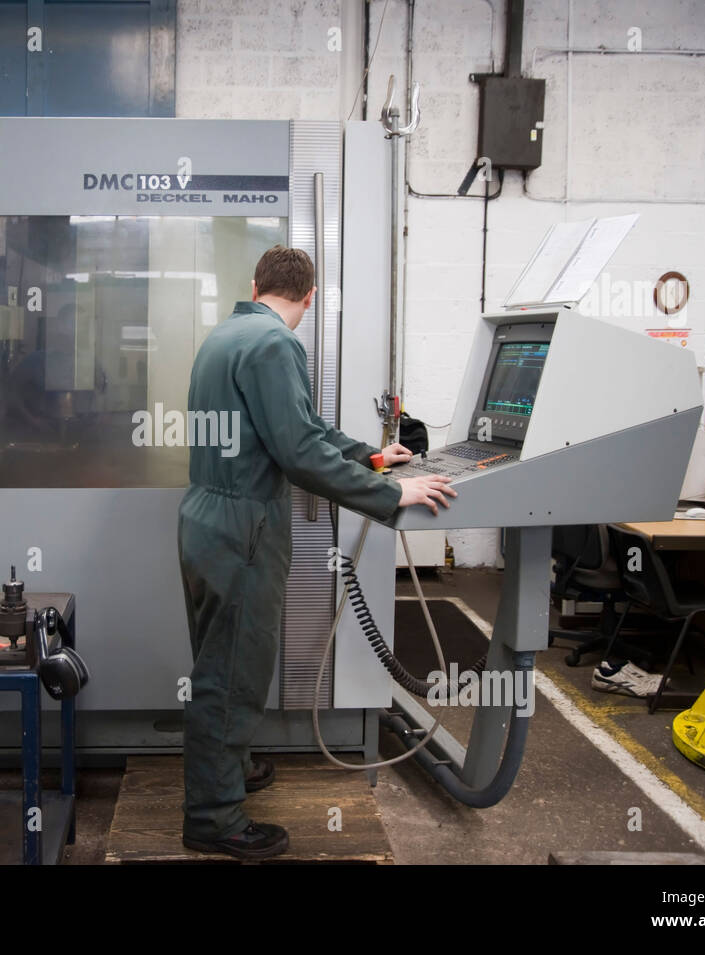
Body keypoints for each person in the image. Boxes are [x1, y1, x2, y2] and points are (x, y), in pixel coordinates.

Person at [177, 245, 457, 860]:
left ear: (255, 284)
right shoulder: (277, 345)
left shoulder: (228, 335)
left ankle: (230, 772)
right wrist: (390, 493)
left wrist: (371, 457)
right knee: (234, 675)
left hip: (207, 519)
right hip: (242, 526)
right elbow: (300, 452)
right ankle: (214, 818)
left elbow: (302, 429)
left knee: (220, 660)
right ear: (309, 298)